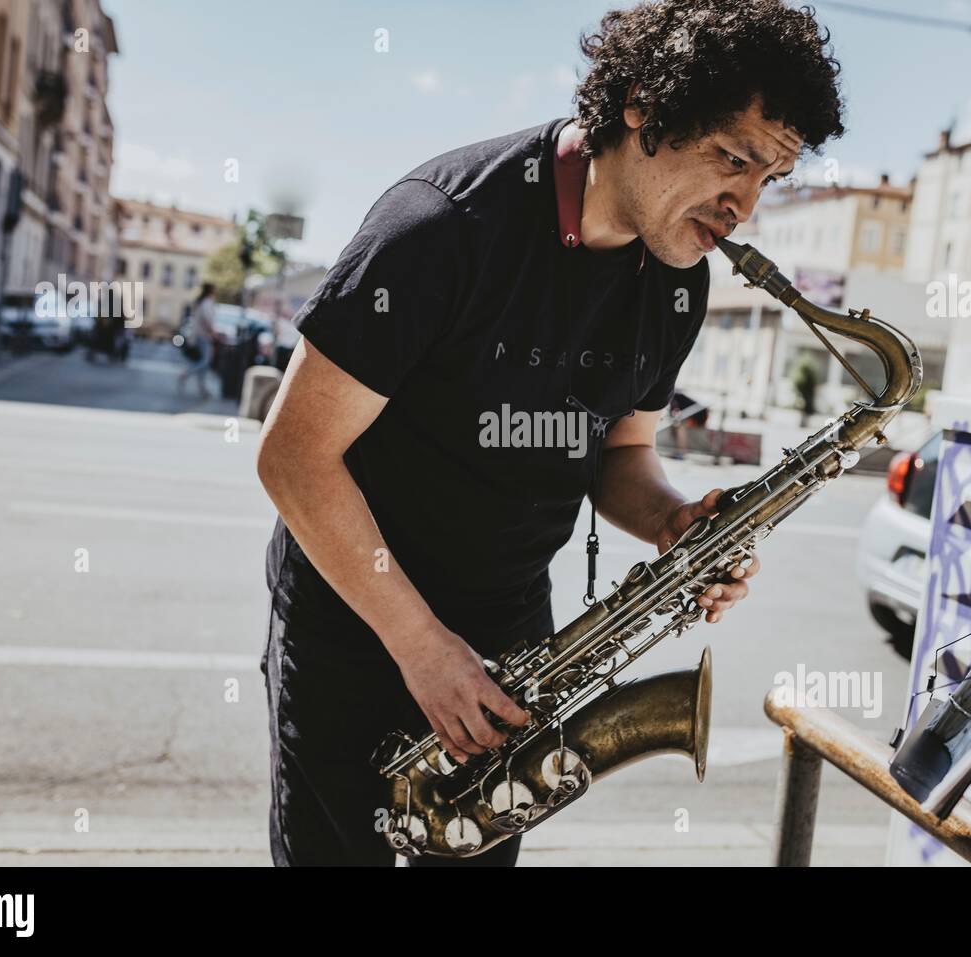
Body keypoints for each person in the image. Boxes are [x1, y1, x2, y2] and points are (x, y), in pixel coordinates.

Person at [256, 0, 844, 867]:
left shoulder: (678, 281)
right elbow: (294, 457)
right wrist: (421, 647)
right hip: (357, 630)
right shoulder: (441, 227)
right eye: (733, 160)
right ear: (644, 104)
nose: (745, 207)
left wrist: (673, 523)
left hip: (509, 653)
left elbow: (622, 455)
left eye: (770, 179)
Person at [178, 283, 219, 398]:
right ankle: (186, 374)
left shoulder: (202, 302)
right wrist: (213, 333)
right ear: (211, 290)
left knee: (204, 363)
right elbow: (207, 320)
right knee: (205, 361)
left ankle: (202, 388)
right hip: (204, 336)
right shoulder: (206, 303)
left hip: (200, 335)